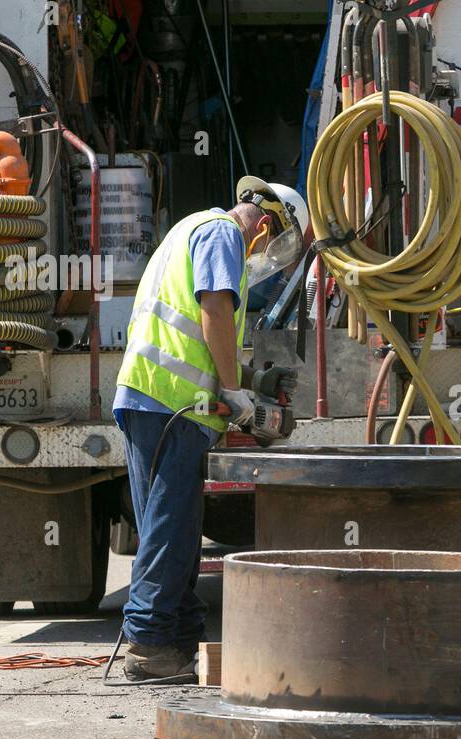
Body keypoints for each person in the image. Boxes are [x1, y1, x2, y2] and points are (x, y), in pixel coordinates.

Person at [112, 176, 306, 682]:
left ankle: (180, 634)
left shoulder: (190, 229)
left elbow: (194, 333)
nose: (268, 258)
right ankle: (151, 644)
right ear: (264, 225)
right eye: (277, 245)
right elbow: (214, 312)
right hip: (170, 403)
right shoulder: (223, 234)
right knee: (170, 524)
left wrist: (248, 380)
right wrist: (235, 393)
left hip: (151, 397)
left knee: (172, 522)